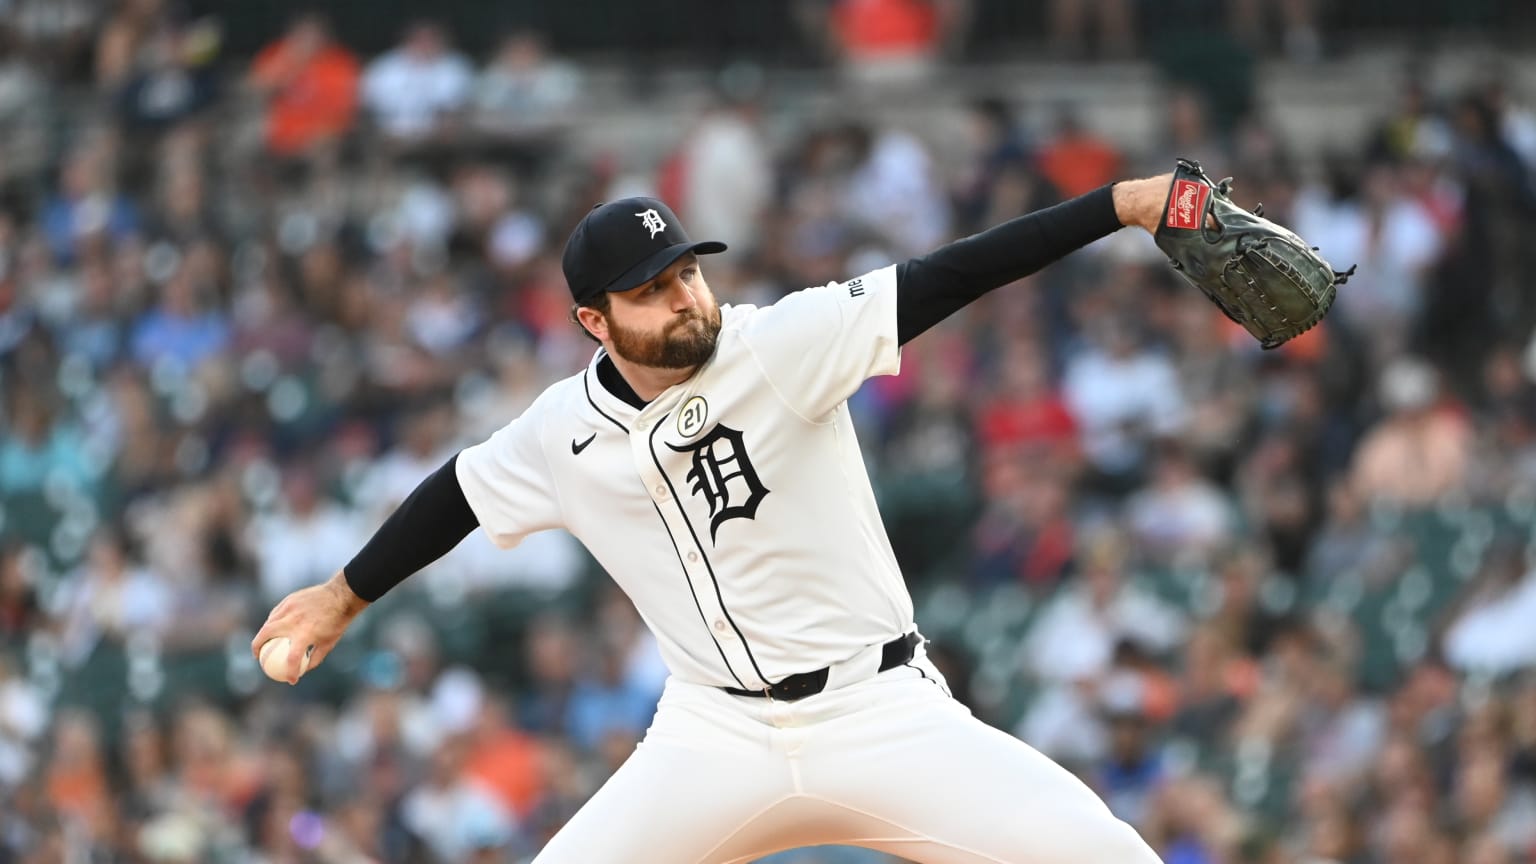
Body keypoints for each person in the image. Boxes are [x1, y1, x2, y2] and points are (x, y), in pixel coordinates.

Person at [254, 170, 1184, 861]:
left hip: (879, 707)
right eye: (651, 290)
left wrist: (1121, 205)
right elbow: (455, 491)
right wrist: (344, 595)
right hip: (714, 736)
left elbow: (950, 274)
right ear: (593, 321)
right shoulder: (561, 431)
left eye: (686, 273)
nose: (684, 297)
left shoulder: (779, 344)